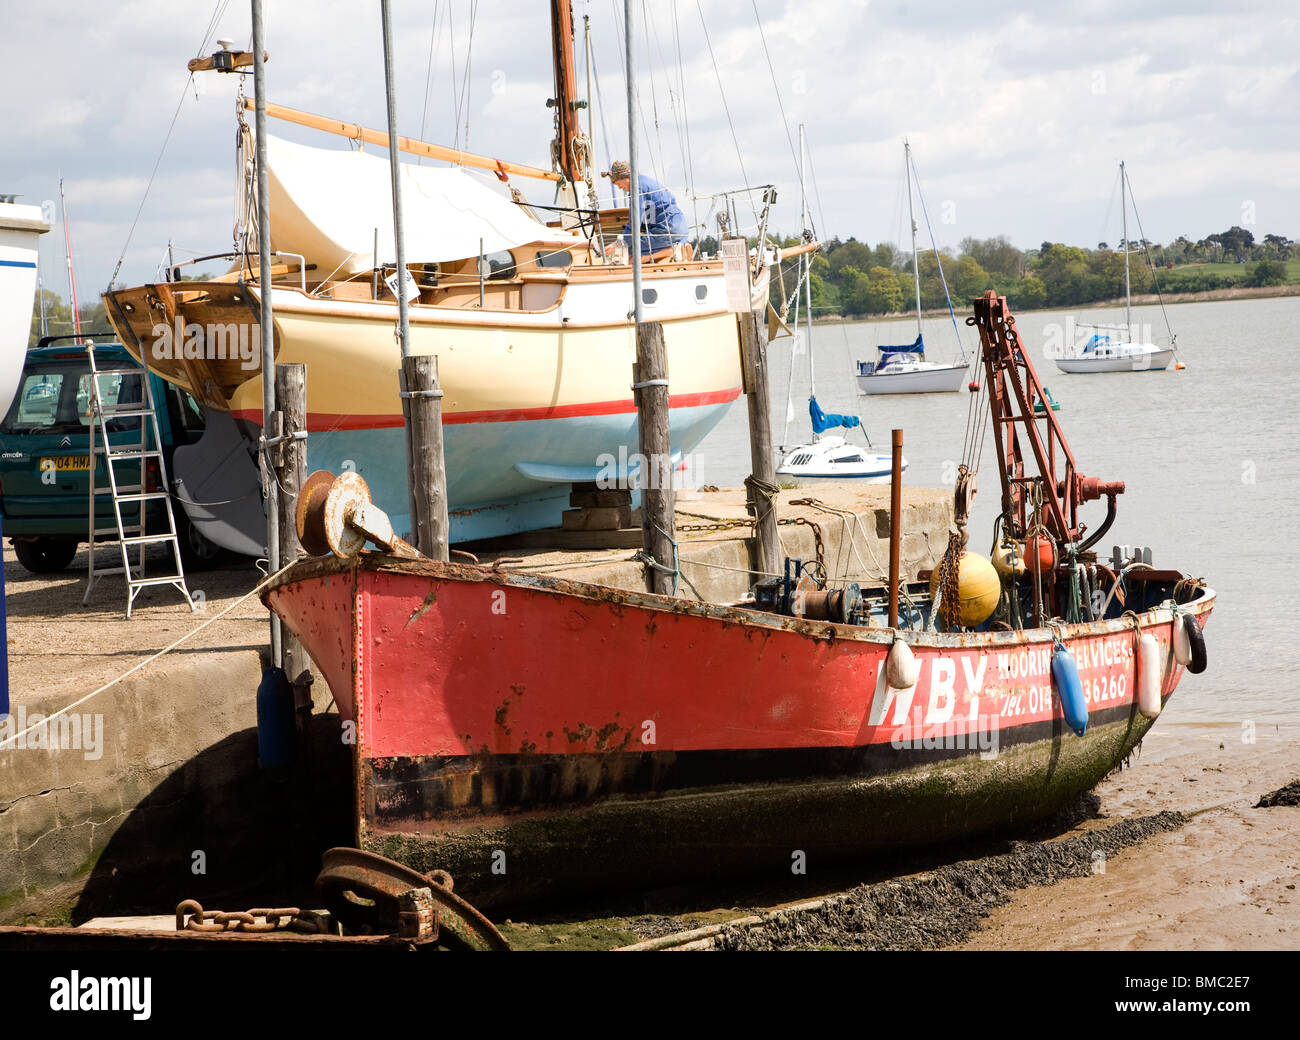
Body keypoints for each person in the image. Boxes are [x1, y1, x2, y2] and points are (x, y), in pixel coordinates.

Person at [607, 160, 688, 257]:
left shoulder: (637, 188)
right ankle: (678, 247)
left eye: (618, 183)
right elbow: (649, 217)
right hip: (678, 230)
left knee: (628, 249)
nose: (619, 188)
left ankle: (670, 250)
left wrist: (619, 243)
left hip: (667, 231)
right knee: (631, 245)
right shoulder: (644, 182)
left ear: (625, 177)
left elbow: (635, 222)